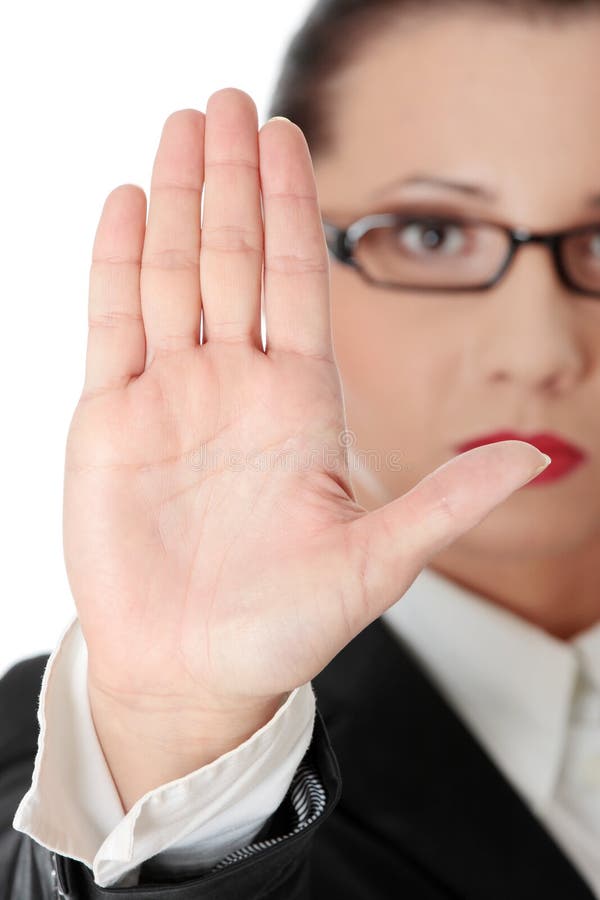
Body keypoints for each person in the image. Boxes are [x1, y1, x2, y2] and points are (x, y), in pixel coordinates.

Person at [2, 0, 599, 896]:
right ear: (294, 247)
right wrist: (181, 739)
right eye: (431, 234)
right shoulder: (87, 746)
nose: (540, 354)